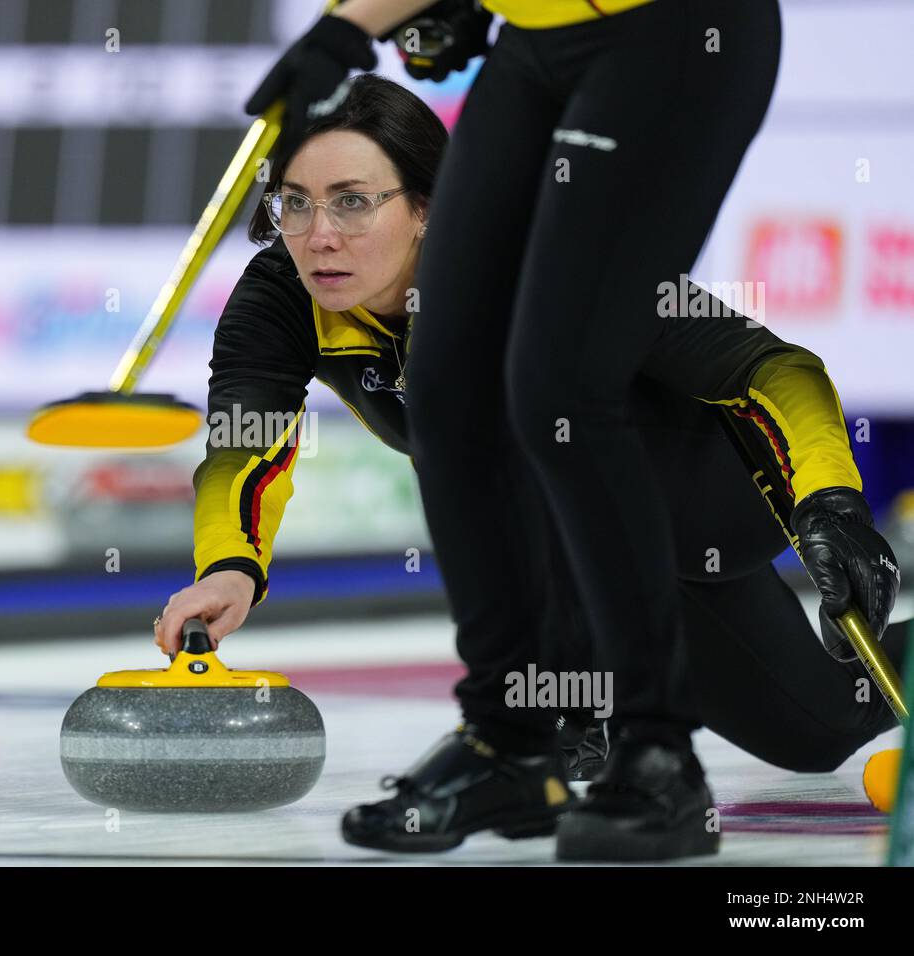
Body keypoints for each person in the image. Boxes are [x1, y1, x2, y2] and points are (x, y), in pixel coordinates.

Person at [193, 68, 906, 855]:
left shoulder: (556, 253)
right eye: (294, 202)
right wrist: (229, 563)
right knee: (816, 729)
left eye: (353, 201)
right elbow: (245, 445)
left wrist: (830, 503)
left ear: (429, 207)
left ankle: (549, 720)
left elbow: (776, 369)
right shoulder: (280, 298)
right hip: (613, 548)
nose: (318, 234)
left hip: (715, 499)